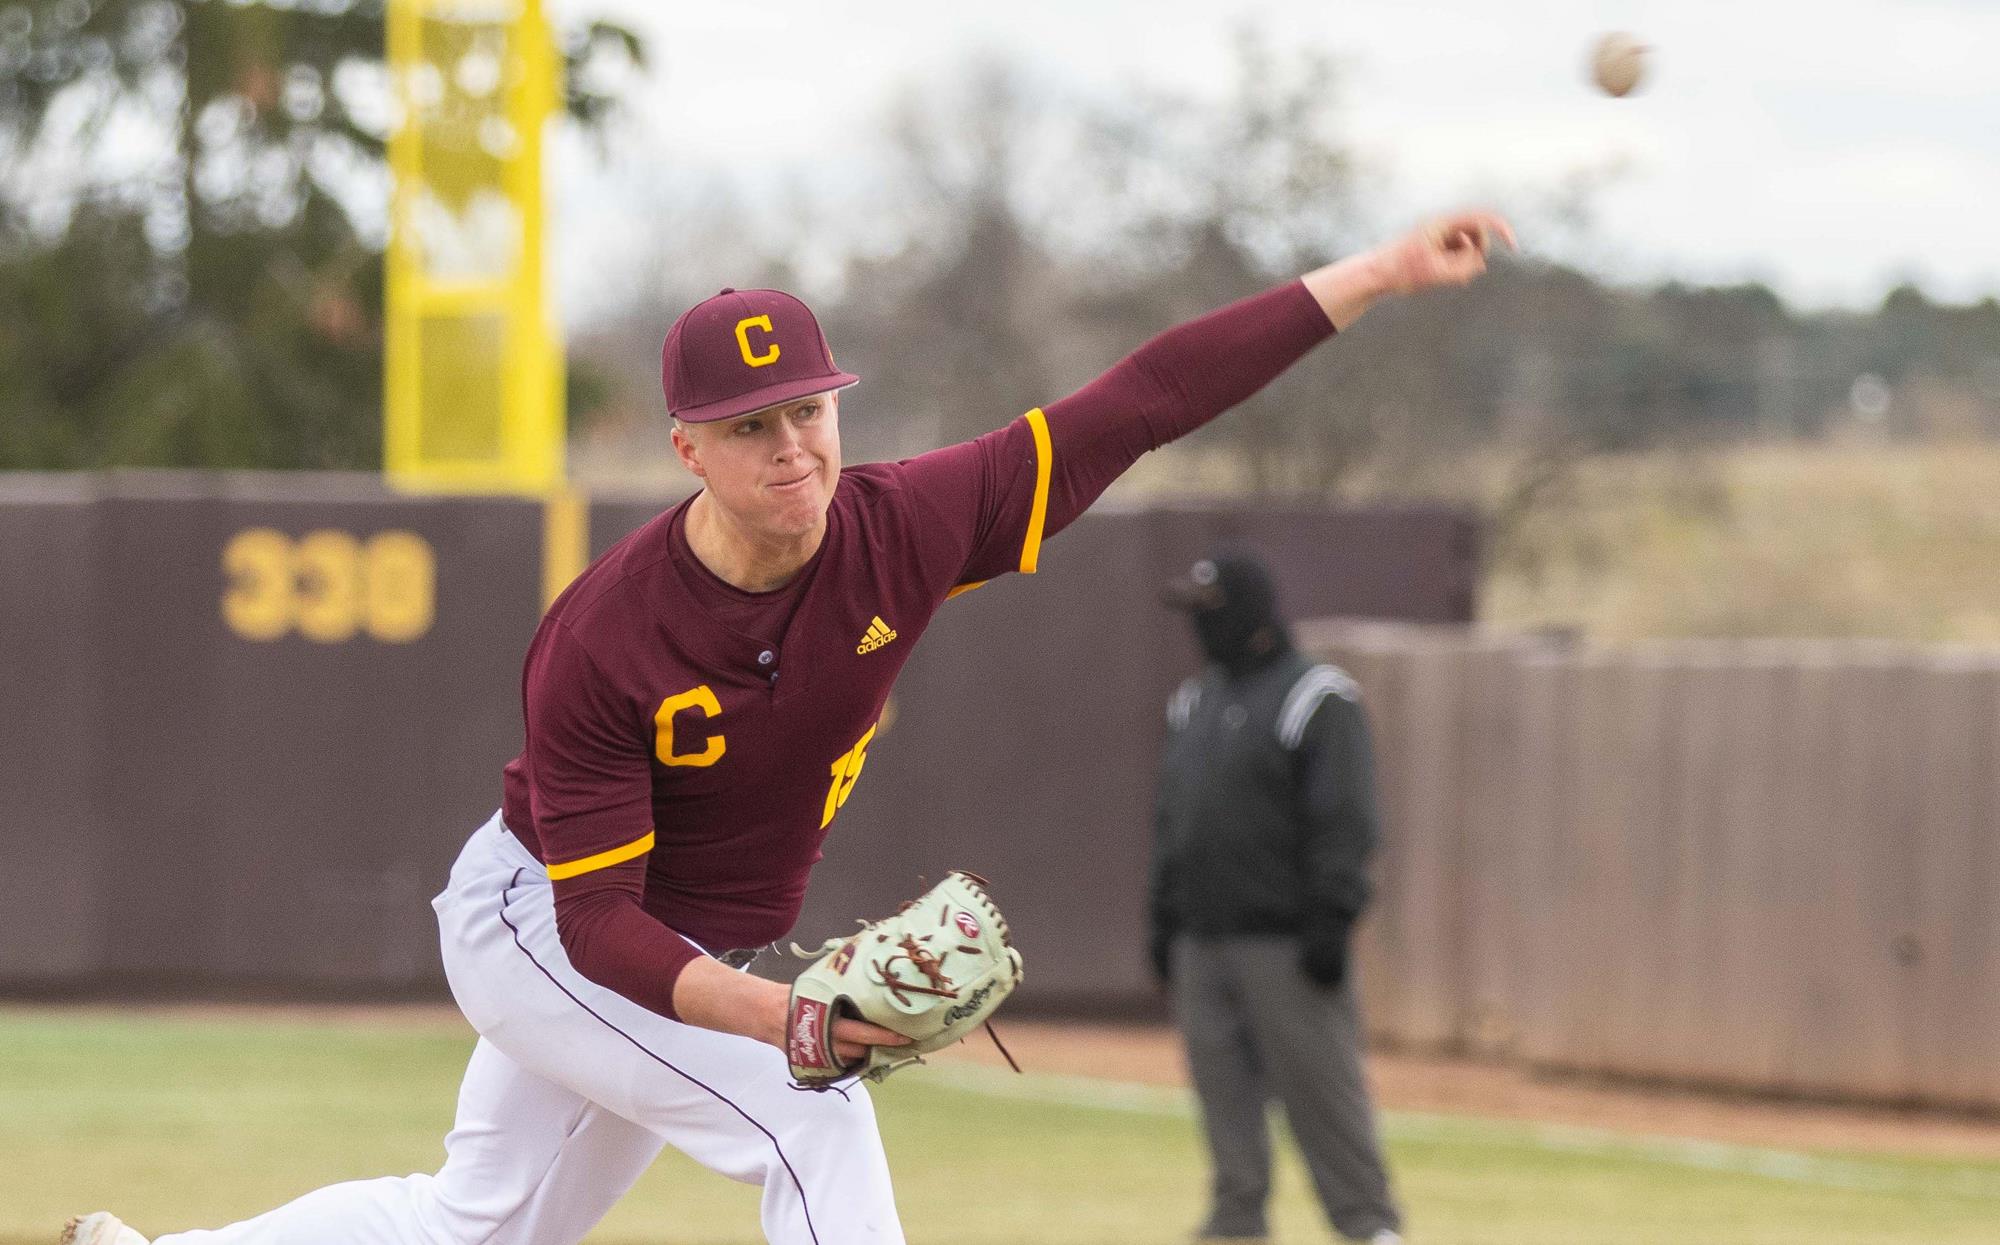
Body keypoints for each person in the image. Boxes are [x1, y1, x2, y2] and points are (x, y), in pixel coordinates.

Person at [62, 210, 1511, 1245]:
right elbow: (605, 934)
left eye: (809, 407)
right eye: (751, 424)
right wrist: (791, 1019)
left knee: (477, 1224)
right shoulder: (608, 635)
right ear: (685, 447)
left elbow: (1139, 402)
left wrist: (1375, 273)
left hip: (683, 949)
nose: (795, 443)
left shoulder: (906, 525)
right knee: (808, 1113)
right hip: (543, 923)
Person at [1152, 551, 1401, 1245]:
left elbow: (1346, 822)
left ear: (1249, 614)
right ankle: (1236, 1223)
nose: (1201, 629)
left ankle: (1368, 1224)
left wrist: (1331, 919)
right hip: (1203, 939)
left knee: (1324, 1096)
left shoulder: (1317, 697)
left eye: (1210, 612)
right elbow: (1174, 819)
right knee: (1223, 1102)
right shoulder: (1194, 700)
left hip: (1286, 943)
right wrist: (1162, 918)